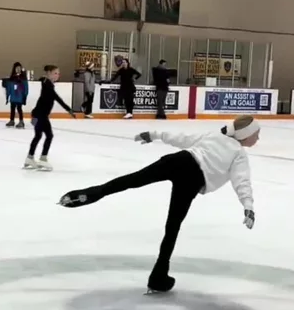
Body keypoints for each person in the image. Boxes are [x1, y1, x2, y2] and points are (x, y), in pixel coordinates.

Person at [57, 115, 259, 293]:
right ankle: (158, 277)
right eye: (256, 135)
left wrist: (154, 135)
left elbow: (182, 139)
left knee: (131, 180)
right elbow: (241, 181)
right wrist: (248, 206)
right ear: (245, 135)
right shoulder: (238, 154)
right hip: (192, 179)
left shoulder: (214, 136)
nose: (258, 138)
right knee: (172, 227)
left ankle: (91, 193)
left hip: (178, 160)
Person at [24, 65, 75, 171]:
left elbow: (48, 98)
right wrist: (68, 109)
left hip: (37, 114)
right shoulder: (47, 85)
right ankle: (43, 159)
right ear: (49, 73)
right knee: (49, 136)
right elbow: (57, 98)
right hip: (41, 115)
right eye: (55, 73)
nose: (58, 75)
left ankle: (29, 158)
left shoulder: (47, 83)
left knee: (38, 136)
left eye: (58, 73)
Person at [4, 62, 29, 128]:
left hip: (20, 97)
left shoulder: (23, 78)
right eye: (17, 68)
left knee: (19, 109)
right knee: (12, 109)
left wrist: (25, 96)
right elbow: (9, 87)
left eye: (19, 68)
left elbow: (26, 87)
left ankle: (21, 121)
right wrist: (7, 95)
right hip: (13, 97)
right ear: (14, 69)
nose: (18, 69)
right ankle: (12, 121)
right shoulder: (12, 78)